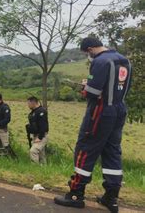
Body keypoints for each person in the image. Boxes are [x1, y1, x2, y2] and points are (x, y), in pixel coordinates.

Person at [54, 37, 132, 213]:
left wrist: (85, 87)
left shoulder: (100, 61)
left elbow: (92, 93)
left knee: (85, 148)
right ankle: (111, 198)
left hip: (101, 111)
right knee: (112, 151)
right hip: (120, 109)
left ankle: (76, 194)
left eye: (86, 53)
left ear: (89, 49)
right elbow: (124, 87)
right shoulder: (124, 60)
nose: (88, 56)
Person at [26, 96, 49, 164]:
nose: (28, 105)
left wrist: (40, 137)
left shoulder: (41, 111)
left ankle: (35, 168)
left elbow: (43, 126)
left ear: (33, 102)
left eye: (28, 103)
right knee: (41, 155)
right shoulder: (32, 113)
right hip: (35, 135)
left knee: (33, 151)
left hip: (41, 135)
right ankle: (43, 170)